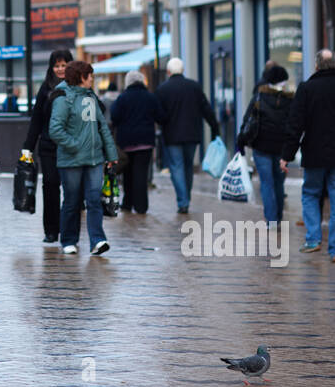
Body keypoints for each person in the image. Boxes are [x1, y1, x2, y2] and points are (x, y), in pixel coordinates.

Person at [282, 49, 335, 263]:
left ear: (316, 66)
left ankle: (313, 239)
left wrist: (287, 155)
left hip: (314, 154)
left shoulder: (306, 89)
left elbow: (295, 125)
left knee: (311, 194)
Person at [49, 60, 119, 254]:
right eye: (90, 76)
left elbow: (102, 127)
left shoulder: (91, 97)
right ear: (81, 77)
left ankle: (98, 240)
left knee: (94, 199)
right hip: (71, 160)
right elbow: (55, 129)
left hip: (94, 159)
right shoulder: (63, 98)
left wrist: (111, 154)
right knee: (72, 201)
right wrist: (75, 145)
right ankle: (68, 240)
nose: (92, 80)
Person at [154, 57, 220, 215]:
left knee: (176, 167)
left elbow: (158, 114)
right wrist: (215, 128)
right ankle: (186, 198)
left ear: (168, 71)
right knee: (188, 166)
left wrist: (164, 122)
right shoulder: (194, 87)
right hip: (192, 134)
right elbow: (206, 109)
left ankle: (183, 201)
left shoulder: (162, 89)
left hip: (172, 135)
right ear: (182, 70)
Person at [22, 49, 73, 244]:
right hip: (48, 147)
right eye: (57, 65)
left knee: (71, 190)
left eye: (64, 65)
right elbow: (36, 120)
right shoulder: (45, 89)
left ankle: (69, 230)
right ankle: (51, 230)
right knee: (50, 186)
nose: (60, 69)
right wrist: (28, 147)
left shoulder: (77, 87)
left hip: (71, 147)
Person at [236, 63, 293, 225]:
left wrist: (241, 140)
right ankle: (279, 216)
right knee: (279, 183)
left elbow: (248, 119)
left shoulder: (260, 97)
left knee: (267, 183)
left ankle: (271, 220)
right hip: (281, 148)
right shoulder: (290, 100)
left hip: (261, 146)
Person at [109, 70, 161, 214]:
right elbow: (160, 115)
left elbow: (114, 116)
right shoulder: (150, 97)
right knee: (141, 174)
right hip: (145, 141)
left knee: (128, 174)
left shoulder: (122, 98)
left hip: (127, 142)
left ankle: (127, 203)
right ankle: (141, 206)